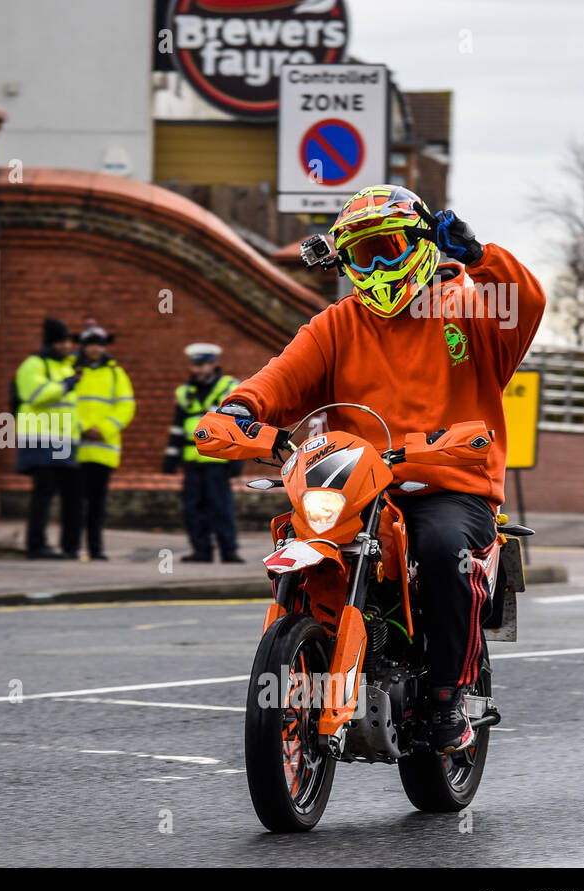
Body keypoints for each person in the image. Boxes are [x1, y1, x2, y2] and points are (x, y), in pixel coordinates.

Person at [212, 184, 546, 754]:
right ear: (346, 263)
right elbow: (279, 378)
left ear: (420, 246)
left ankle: (447, 697)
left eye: (390, 248)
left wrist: (477, 255)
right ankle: (307, 645)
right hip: (353, 482)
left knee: (442, 548)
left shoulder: (468, 305)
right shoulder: (336, 324)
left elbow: (527, 301)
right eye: (364, 255)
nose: (379, 266)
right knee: (300, 531)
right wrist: (240, 410)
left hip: (448, 482)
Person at [162, 343, 243, 563]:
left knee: (220, 507)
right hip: (192, 460)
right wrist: (171, 457)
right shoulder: (185, 391)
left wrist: (237, 458)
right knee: (193, 508)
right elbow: (178, 426)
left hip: (218, 459)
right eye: (195, 365)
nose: (198, 370)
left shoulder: (230, 387)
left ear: (214, 364)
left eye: (203, 364)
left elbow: (238, 424)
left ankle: (229, 552)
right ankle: (201, 551)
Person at [15, 317, 82, 559]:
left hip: (65, 439)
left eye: (68, 342)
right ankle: (36, 546)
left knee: (72, 494)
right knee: (43, 493)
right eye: (61, 342)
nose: (67, 346)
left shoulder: (66, 367)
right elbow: (35, 395)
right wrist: (66, 384)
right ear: (51, 342)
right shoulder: (34, 365)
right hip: (40, 437)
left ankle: (71, 547)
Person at [74, 319, 135, 560]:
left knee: (96, 506)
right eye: (91, 344)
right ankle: (73, 548)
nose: (95, 349)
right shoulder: (72, 370)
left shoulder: (115, 373)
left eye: (99, 344)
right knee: (74, 504)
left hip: (103, 449)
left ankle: (95, 549)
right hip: (76, 448)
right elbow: (66, 403)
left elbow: (126, 406)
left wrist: (105, 428)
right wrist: (81, 427)